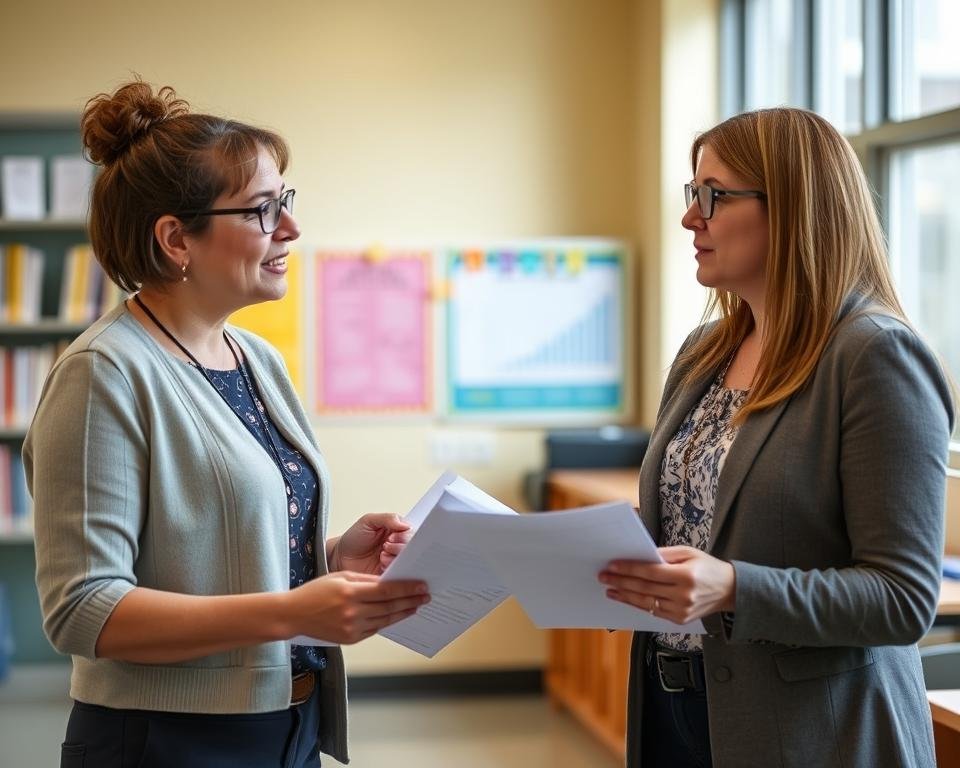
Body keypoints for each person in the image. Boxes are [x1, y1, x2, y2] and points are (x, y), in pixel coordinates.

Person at [24, 79, 430, 768]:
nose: (292, 229)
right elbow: (84, 608)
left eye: (287, 202)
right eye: (264, 210)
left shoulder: (254, 358)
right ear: (176, 238)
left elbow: (212, 554)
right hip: (166, 740)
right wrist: (297, 610)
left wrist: (327, 560)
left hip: (288, 721)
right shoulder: (104, 373)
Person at [598, 107, 954, 768]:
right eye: (691, 194)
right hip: (674, 712)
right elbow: (696, 531)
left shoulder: (875, 357)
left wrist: (734, 587)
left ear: (792, 209)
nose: (689, 218)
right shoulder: (703, 351)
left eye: (712, 196)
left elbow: (902, 600)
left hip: (813, 734)